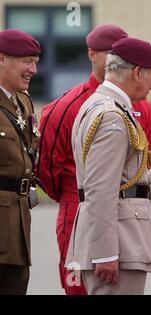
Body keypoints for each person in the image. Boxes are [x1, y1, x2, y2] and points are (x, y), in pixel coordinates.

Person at [66, 37, 151, 295]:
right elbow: (100, 189)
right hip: (117, 241)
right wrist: (105, 253)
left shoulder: (102, 106)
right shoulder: (111, 117)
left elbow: (118, 176)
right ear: (138, 73)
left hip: (116, 237)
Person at [36, 25, 151, 295]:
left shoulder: (129, 107)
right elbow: (49, 170)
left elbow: (140, 167)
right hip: (94, 213)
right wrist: (105, 253)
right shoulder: (96, 111)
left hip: (103, 211)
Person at [0, 29, 41, 294]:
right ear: (2, 59)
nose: (33, 70)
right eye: (27, 61)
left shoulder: (23, 102)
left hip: (18, 226)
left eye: (35, 61)